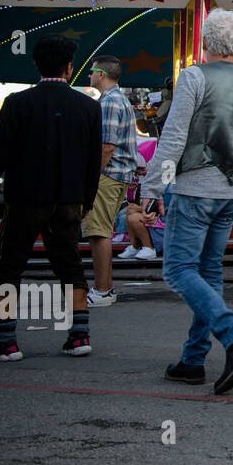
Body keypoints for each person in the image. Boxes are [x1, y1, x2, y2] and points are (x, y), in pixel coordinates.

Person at [141, 10, 233, 394]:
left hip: (195, 187)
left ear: (204, 42)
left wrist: (152, 189)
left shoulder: (194, 77)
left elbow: (173, 137)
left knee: (179, 270)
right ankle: (193, 358)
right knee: (209, 270)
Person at [0, 36, 101, 361]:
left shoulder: (17, 103)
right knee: (70, 265)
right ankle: (79, 335)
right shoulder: (88, 106)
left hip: (25, 198)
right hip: (69, 199)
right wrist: (86, 200)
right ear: (70, 67)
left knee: (9, 267)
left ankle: (5, 341)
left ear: (36, 65)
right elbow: (91, 160)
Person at [82, 55, 139, 307]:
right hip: (118, 174)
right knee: (101, 229)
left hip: (108, 174)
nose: (88, 76)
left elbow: (106, 146)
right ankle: (104, 288)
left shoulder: (109, 102)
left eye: (91, 71)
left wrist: (91, 176)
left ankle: (102, 289)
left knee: (98, 231)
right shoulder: (118, 99)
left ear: (101, 74)